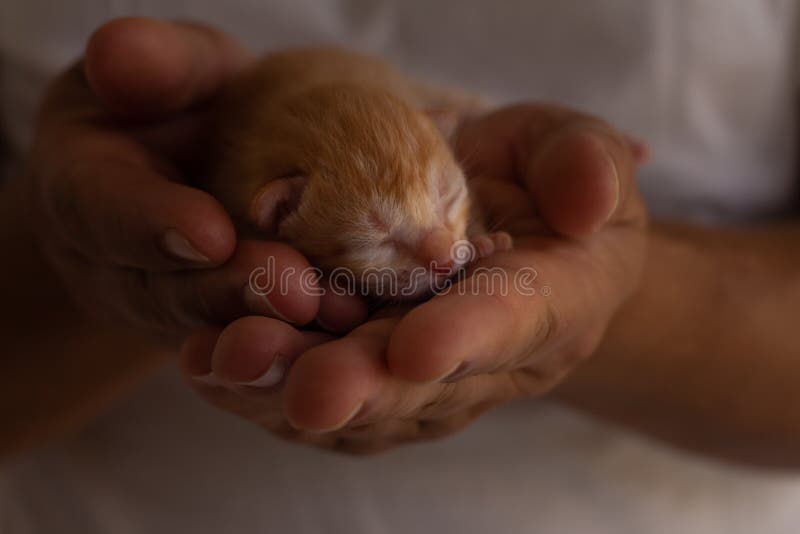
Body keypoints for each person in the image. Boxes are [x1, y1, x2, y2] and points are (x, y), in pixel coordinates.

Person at [1, 1, 799, 533]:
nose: (442, 252)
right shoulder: (256, 199)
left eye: (453, 199)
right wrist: (92, 249)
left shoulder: (430, 139)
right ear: (275, 212)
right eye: (379, 241)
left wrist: (593, 289)